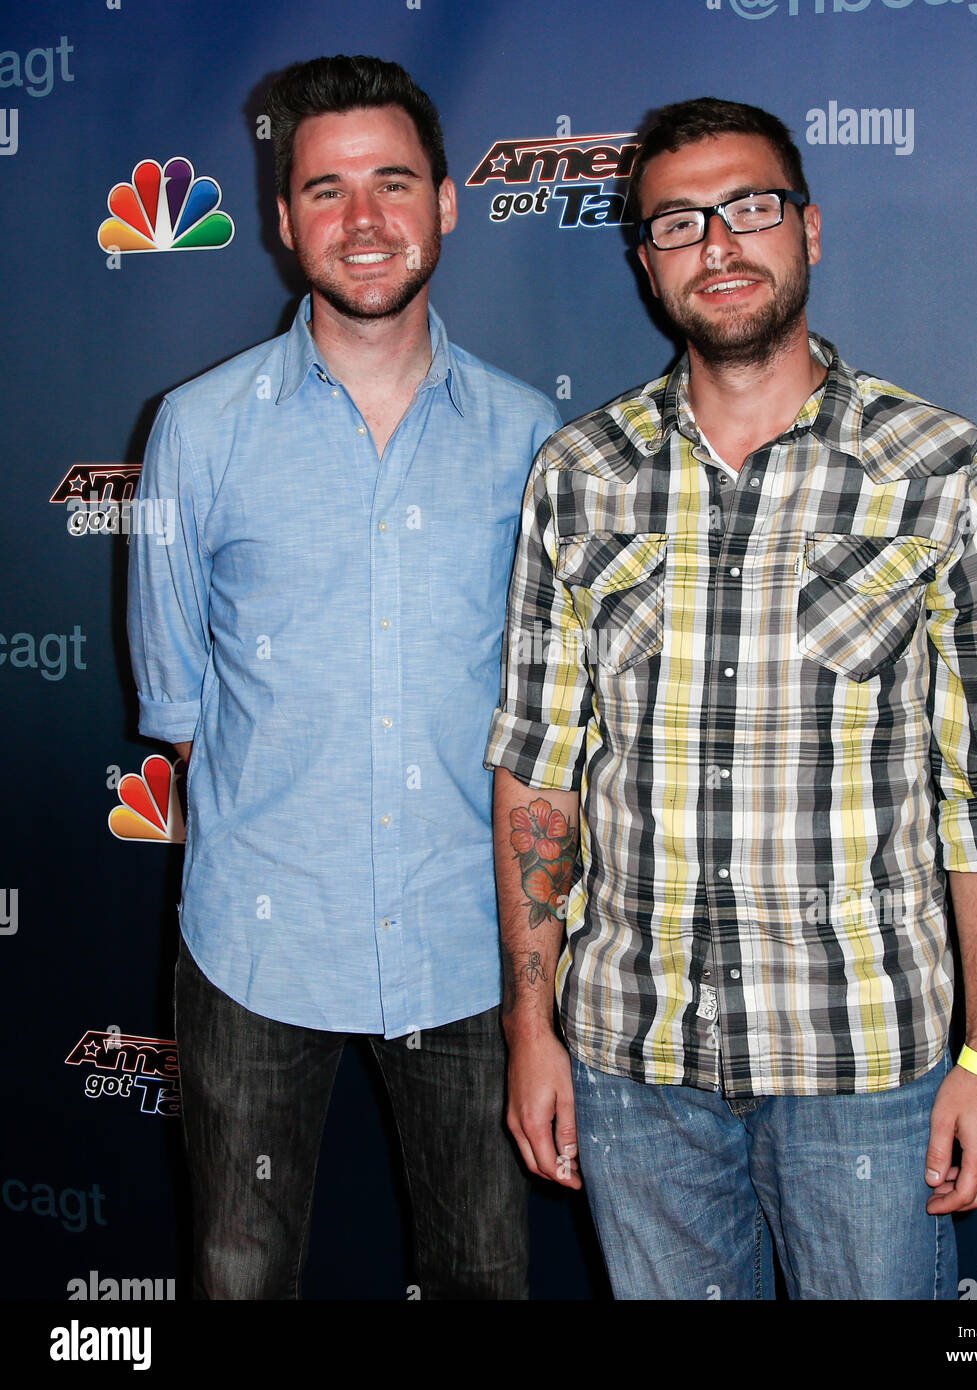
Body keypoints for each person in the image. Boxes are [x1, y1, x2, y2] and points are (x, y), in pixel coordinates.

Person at [487, 97, 977, 1300]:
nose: (720, 245)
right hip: (632, 1058)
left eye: (750, 208)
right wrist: (531, 1029)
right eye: (680, 223)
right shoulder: (579, 473)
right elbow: (540, 772)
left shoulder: (935, 464)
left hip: (865, 1057)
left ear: (809, 227)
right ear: (646, 262)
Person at [127, 54, 559, 1299]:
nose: (363, 221)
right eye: (326, 189)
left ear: (446, 201)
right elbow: (183, 706)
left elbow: (549, 714)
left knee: (484, 1276)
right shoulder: (197, 431)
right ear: (282, 219)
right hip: (255, 953)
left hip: (472, 952)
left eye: (393, 182)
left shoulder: (532, 437)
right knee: (240, 1277)